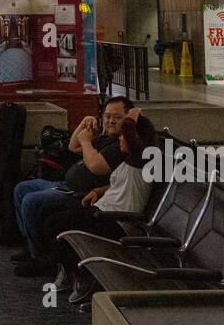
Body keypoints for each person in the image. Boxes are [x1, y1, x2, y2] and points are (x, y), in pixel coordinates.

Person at [40, 101, 157, 302]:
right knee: (51, 215)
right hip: (103, 209)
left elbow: (129, 130)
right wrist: (99, 190)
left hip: (117, 221)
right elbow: (121, 185)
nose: (120, 137)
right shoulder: (130, 162)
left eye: (123, 135)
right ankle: (72, 269)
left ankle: (82, 274)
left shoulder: (142, 160)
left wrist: (134, 114)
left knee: (58, 223)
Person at [10, 100, 131, 276]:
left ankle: (40, 259)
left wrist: (87, 142)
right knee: (21, 189)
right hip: (64, 184)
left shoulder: (121, 146)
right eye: (107, 116)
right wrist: (83, 124)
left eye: (117, 117)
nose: (111, 121)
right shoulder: (106, 138)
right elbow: (73, 146)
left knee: (31, 201)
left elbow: (96, 166)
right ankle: (31, 246)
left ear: (127, 119)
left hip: (78, 194)